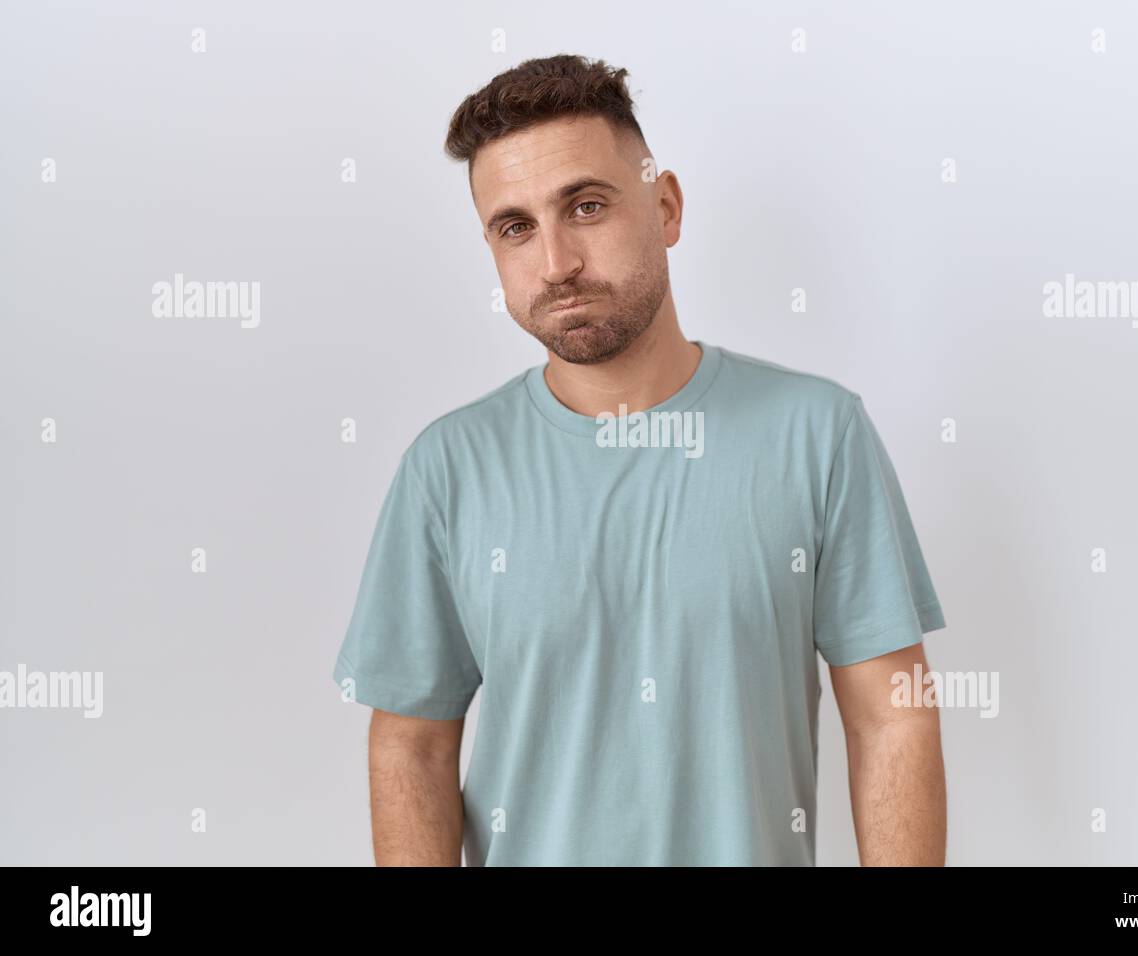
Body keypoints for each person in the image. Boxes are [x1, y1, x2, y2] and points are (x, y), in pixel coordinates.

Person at [332, 53, 949, 866]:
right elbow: (410, 746)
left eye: (585, 206)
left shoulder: (817, 434)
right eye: (515, 227)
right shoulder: (447, 469)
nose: (555, 263)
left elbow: (892, 716)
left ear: (665, 207)